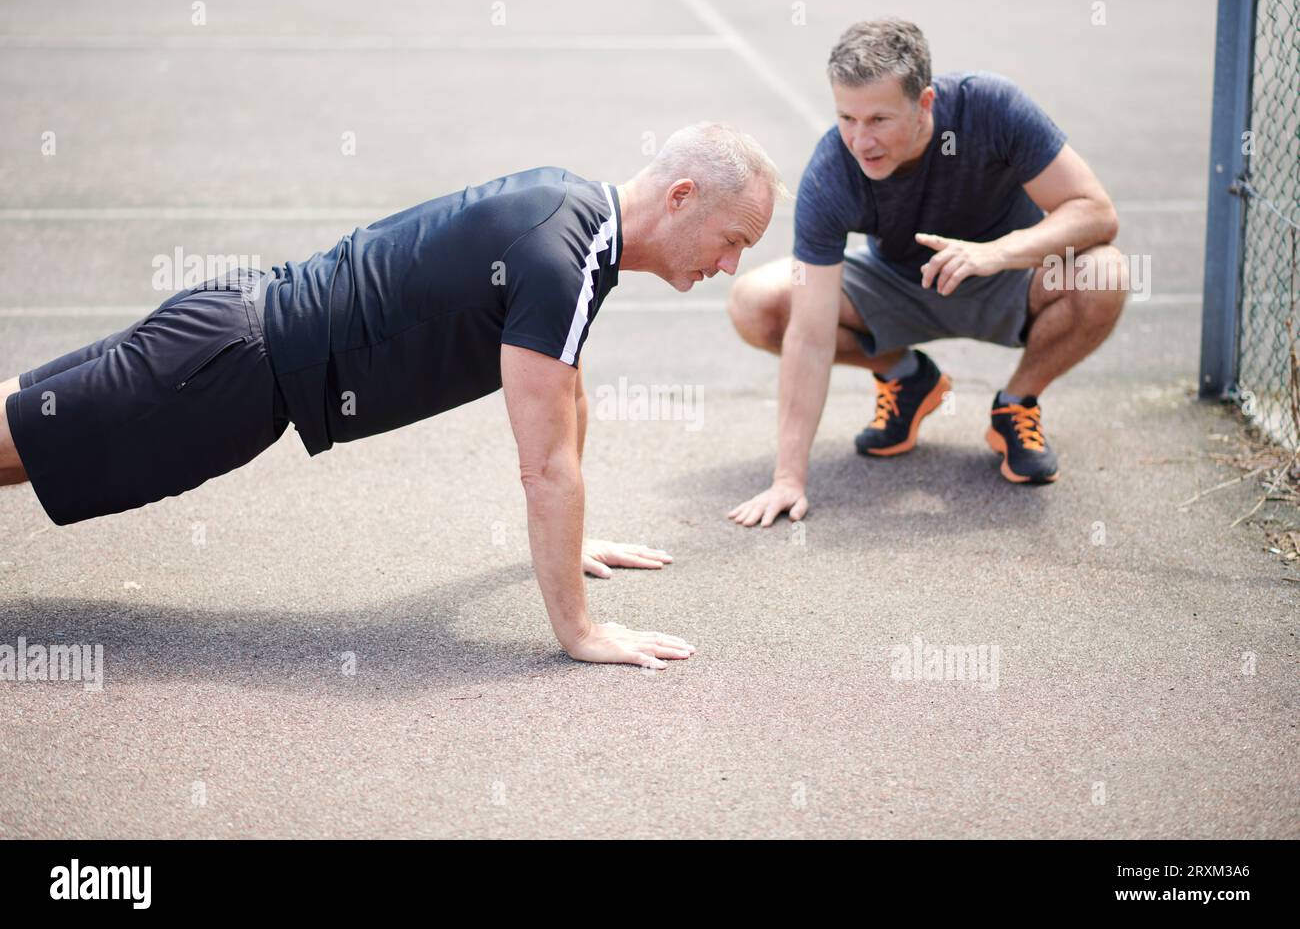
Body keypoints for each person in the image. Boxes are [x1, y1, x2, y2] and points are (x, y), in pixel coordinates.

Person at [0, 122, 784, 668]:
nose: (729, 268)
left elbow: (567, 392)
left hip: (229, 336)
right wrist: (579, 628)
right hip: (225, 375)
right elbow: (544, 467)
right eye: (732, 241)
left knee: (21, 430)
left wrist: (568, 543)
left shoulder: (573, 216)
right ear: (680, 196)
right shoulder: (562, 259)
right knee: (18, 446)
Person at [727, 18, 1129, 528]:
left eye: (878, 119)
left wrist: (998, 253)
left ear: (925, 105)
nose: (860, 139)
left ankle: (1016, 406)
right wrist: (788, 478)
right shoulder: (833, 170)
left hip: (1011, 275)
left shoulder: (991, 107)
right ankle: (908, 379)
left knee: (1106, 272)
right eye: (847, 117)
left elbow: (1096, 211)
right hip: (897, 286)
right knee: (757, 303)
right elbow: (808, 334)